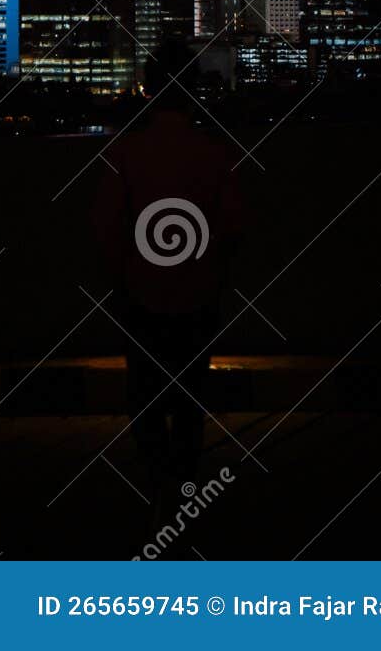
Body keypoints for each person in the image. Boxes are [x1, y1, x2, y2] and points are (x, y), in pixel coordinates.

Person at [93, 43, 244, 482]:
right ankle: (184, 482)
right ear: (193, 89)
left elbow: (105, 228)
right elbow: (234, 225)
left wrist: (123, 275)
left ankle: (158, 477)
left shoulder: (125, 153)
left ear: (149, 90)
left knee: (144, 392)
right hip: (199, 294)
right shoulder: (217, 153)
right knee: (190, 396)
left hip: (140, 295)